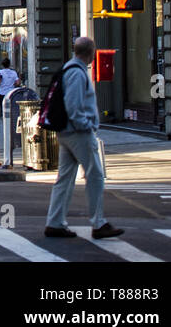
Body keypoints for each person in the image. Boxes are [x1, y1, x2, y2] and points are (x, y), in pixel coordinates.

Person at [44, 37, 123, 240]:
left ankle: (55, 222)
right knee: (95, 175)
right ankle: (98, 223)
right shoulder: (77, 73)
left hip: (66, 133)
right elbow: (74, 105)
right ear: (91, 53)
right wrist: (86, 126)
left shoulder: (68, 69)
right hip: (78, 133)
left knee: (65, 178)